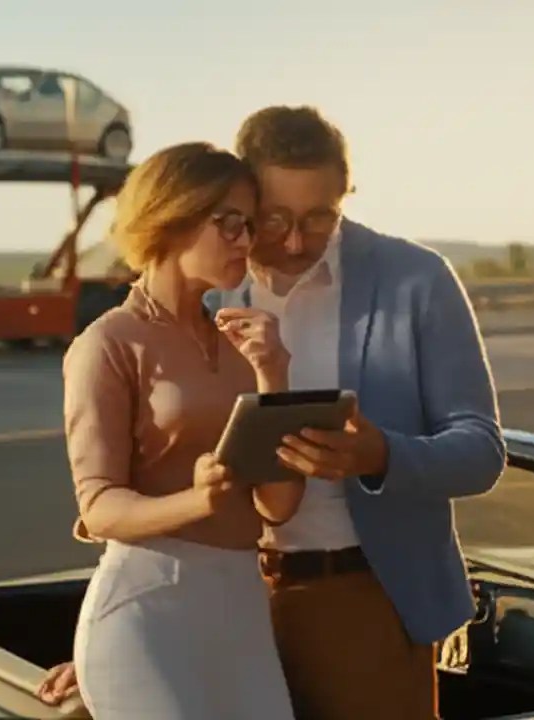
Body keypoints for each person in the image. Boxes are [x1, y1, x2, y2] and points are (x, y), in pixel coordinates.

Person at [41, 106, 507, 719]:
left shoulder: (415, 281)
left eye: (320, 219)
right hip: (229, 602)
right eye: (274, 219)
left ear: (346, 195)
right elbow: (142, 483)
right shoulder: (211, 287)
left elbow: (481, 450)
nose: (292, 241)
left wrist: (380, 453)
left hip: (359, 600)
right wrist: (128, 651)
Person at [60, 141, 311, 720]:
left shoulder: (244, 342)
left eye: (249, 226)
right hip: (146, 612)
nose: (245, 242)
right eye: (228, 224)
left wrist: (275, 373)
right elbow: (98, 508)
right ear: (171, 217)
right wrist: (197, 500)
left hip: (242, 610)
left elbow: (279, 504)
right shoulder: (107, 343)